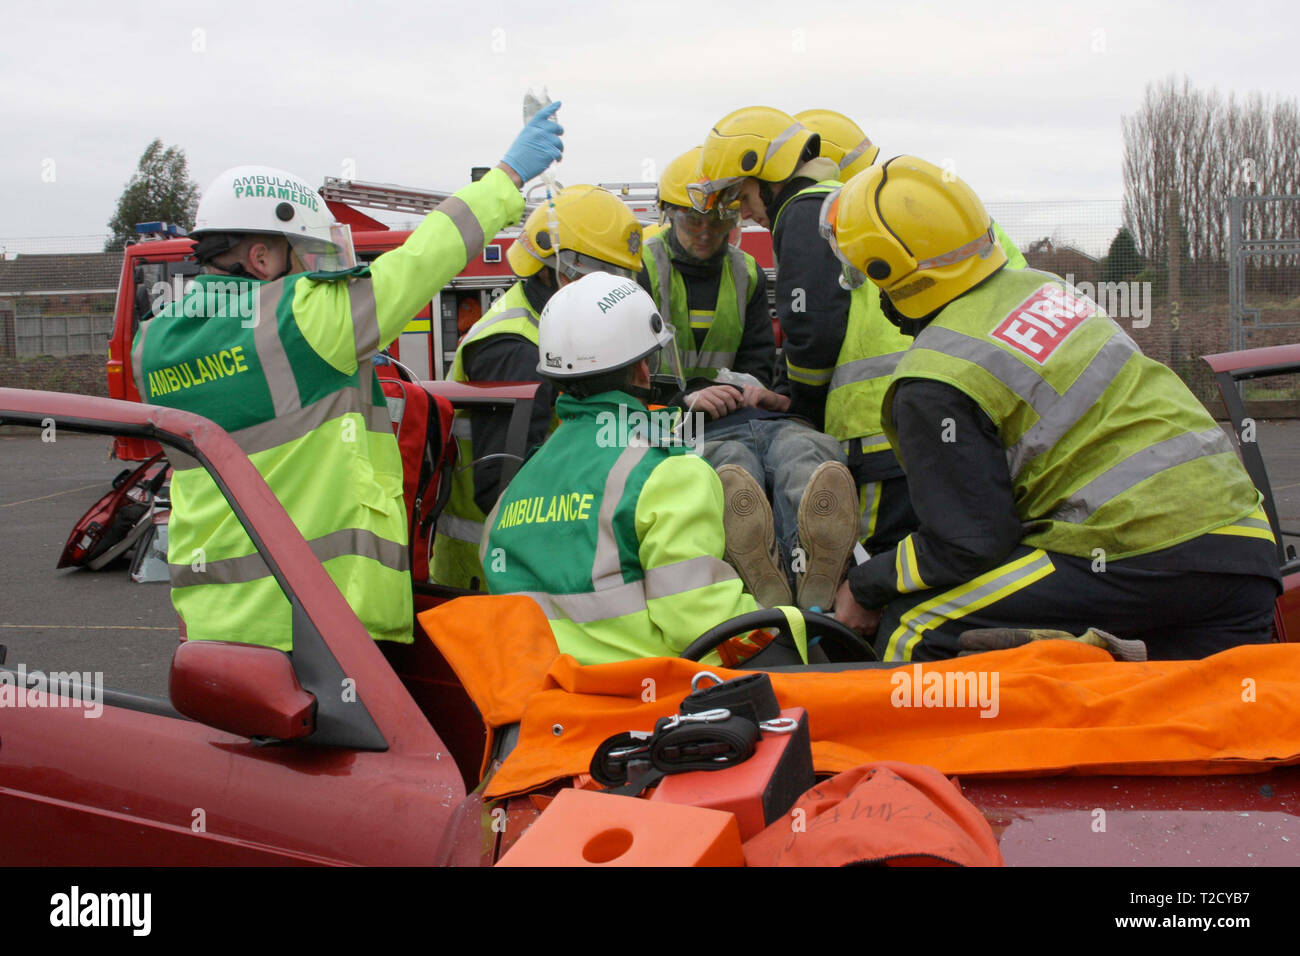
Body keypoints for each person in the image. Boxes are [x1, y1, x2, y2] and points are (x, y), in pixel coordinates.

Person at [132, 103, 565, 651]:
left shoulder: (153, 342)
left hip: (211, 623)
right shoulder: (302, 320)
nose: (314, 275)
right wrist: (506, 179)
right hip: (314, 621)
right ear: (262, 258)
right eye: (303, 257)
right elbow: (424, 258)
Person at [819, 155, 1281, 661]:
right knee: (1207, 720)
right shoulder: (1048, 290)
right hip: (1244, 545)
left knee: (916, 626)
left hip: (1135, 549)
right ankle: (1090, 659)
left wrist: (866, 585)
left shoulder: (935, 377)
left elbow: (969, 544)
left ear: (886, 270)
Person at [481, 271, 786, 666]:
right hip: (649, 706)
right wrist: (791, 629)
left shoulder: (516, 488)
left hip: (545, 710)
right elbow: (700, 621)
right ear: (641, 368)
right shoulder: (667, 472)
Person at [690, 106, 917, 557]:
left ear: (764, 172)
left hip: (875, 432)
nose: (746, 214)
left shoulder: (802, 209)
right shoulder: (842, 203)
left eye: (741, 196)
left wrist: (796, 405)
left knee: (865, 564)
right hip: (905, 421)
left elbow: (812, 327)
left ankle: (808, 606)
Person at [643, 146, 856, 610]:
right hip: (675, 424)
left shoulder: (747, 273)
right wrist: (686, 402)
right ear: (669, 216)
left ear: (734, 220)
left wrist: (764, 392)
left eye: (719, 223)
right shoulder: (640, 269)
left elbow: (760, 354)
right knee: (734, 468)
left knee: (807, 452)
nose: (705, 234)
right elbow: (624, 376)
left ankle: (806, 563)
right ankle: (767, 569)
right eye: (693, 222)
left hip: (746, 412)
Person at [430, 184, 644, 590]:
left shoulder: (555, 327)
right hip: (494, 578)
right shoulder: (515, 349)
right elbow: (504, 488)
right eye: (605, 275)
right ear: (560, 268)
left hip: (530, 564)